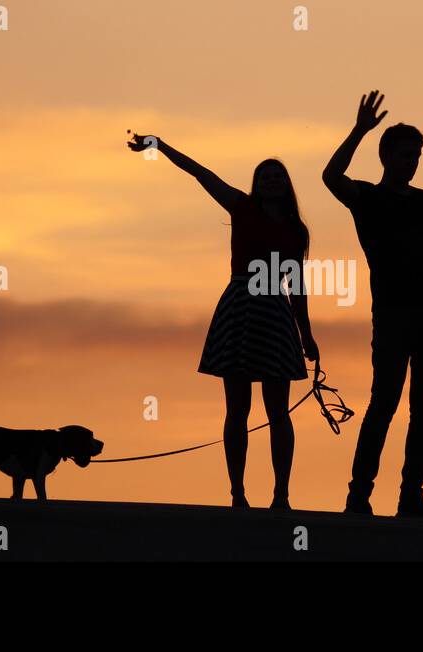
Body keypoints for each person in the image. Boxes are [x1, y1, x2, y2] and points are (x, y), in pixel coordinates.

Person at [127, 133, 319, 510]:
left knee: (278, 410)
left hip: (276, 312)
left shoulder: (297, 231)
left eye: (277, 175)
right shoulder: (242, 207)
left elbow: (297, 285)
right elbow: (202, 174)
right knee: (237, 408)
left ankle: (281, 494)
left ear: (287, 185)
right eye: (265, 176)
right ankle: (238, 493)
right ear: (256, 184)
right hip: (241, 306)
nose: (272, 180)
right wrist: (161, 146)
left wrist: (306, 334)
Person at [321, 91, 423, 518]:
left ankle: (411, 496)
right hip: (393, 314)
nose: (411, 162)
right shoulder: (367, 198)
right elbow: (330, 176)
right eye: (403, 155)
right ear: (385, 156)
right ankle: (359, 495)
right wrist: (359, 129)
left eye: (416, 156)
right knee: (383, 405)